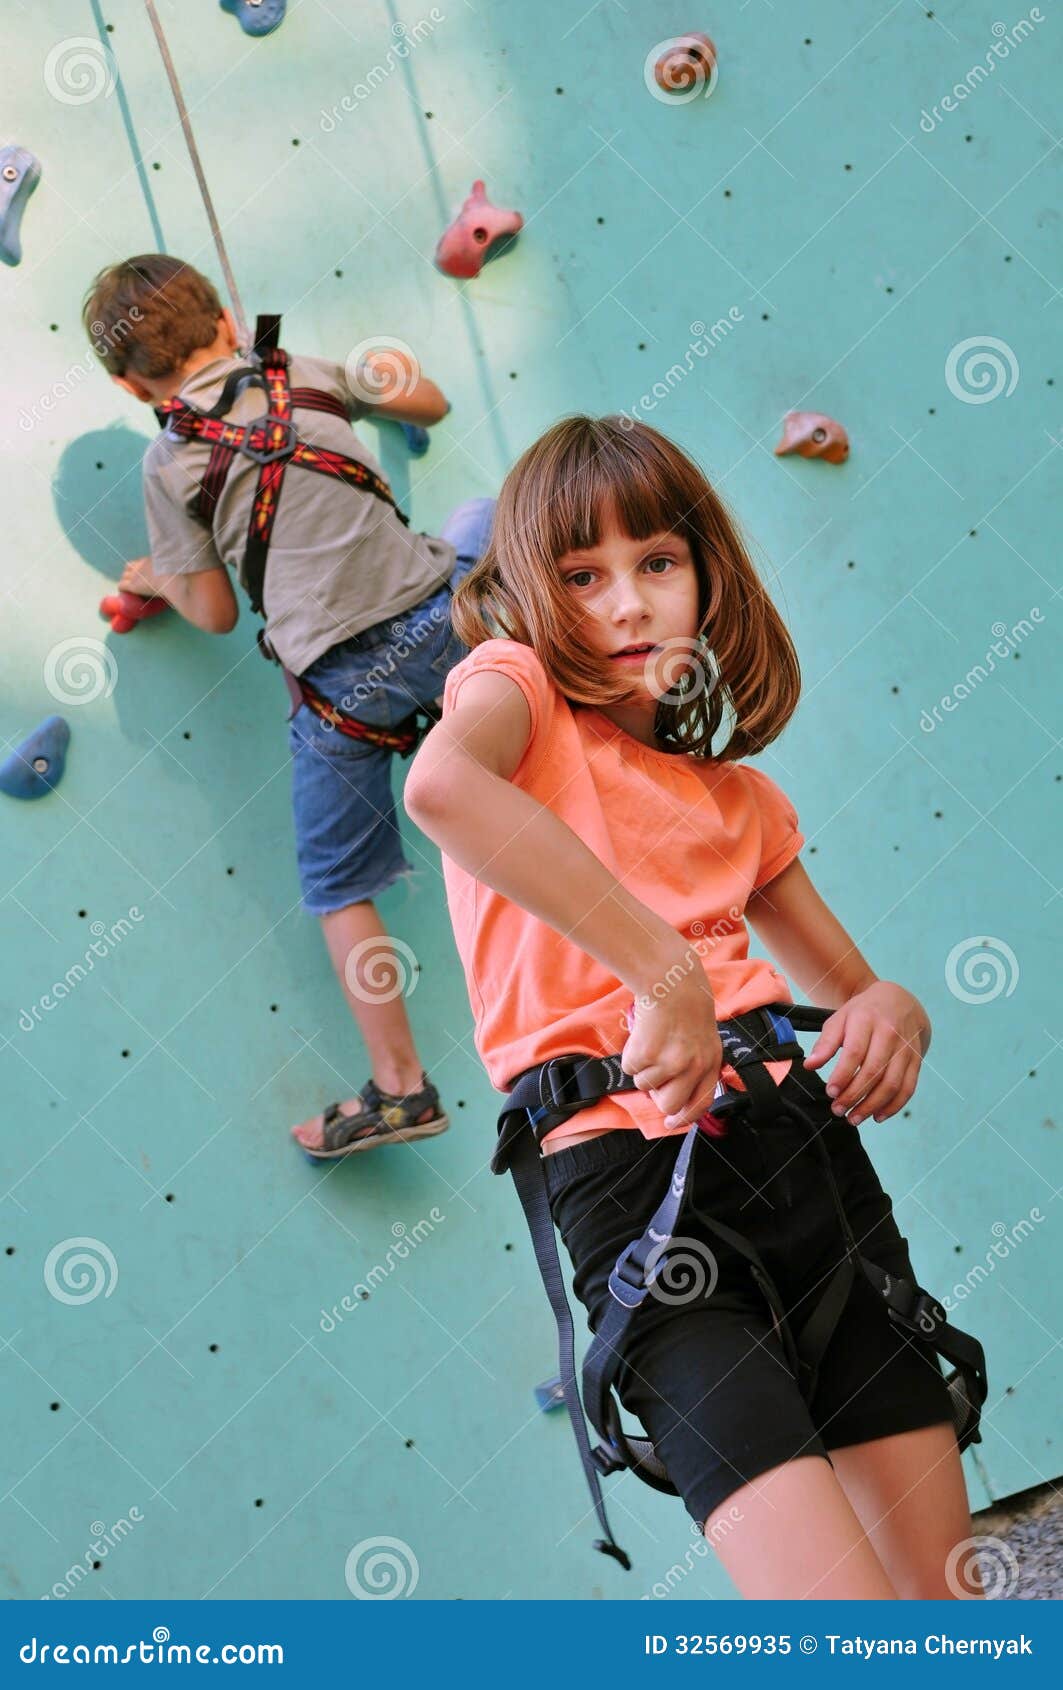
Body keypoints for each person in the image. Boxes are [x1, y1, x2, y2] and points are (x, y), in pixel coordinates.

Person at [403, 414, 983, 1600]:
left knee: (945, 1608)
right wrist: (660, 973)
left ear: (707, 578)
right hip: (645, 1204)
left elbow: (853, 987)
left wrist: (895, 1011)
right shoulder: (515, 703)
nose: (625, 605)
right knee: (838, 1625)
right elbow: (438, 785)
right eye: (581, 575)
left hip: (814, 1174)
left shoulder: (741, 800)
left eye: (656, 564)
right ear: (533, 595)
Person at [82, 255, 495, 1158]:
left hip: (344, 692)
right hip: (448, 619)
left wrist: (161, 574)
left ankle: (400, 1091)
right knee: (486, 514)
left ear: (126, 382)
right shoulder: (299, 372)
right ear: (228, 319)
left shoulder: (167, 466)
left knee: (338, 888)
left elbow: (216, 611)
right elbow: (426, 404)